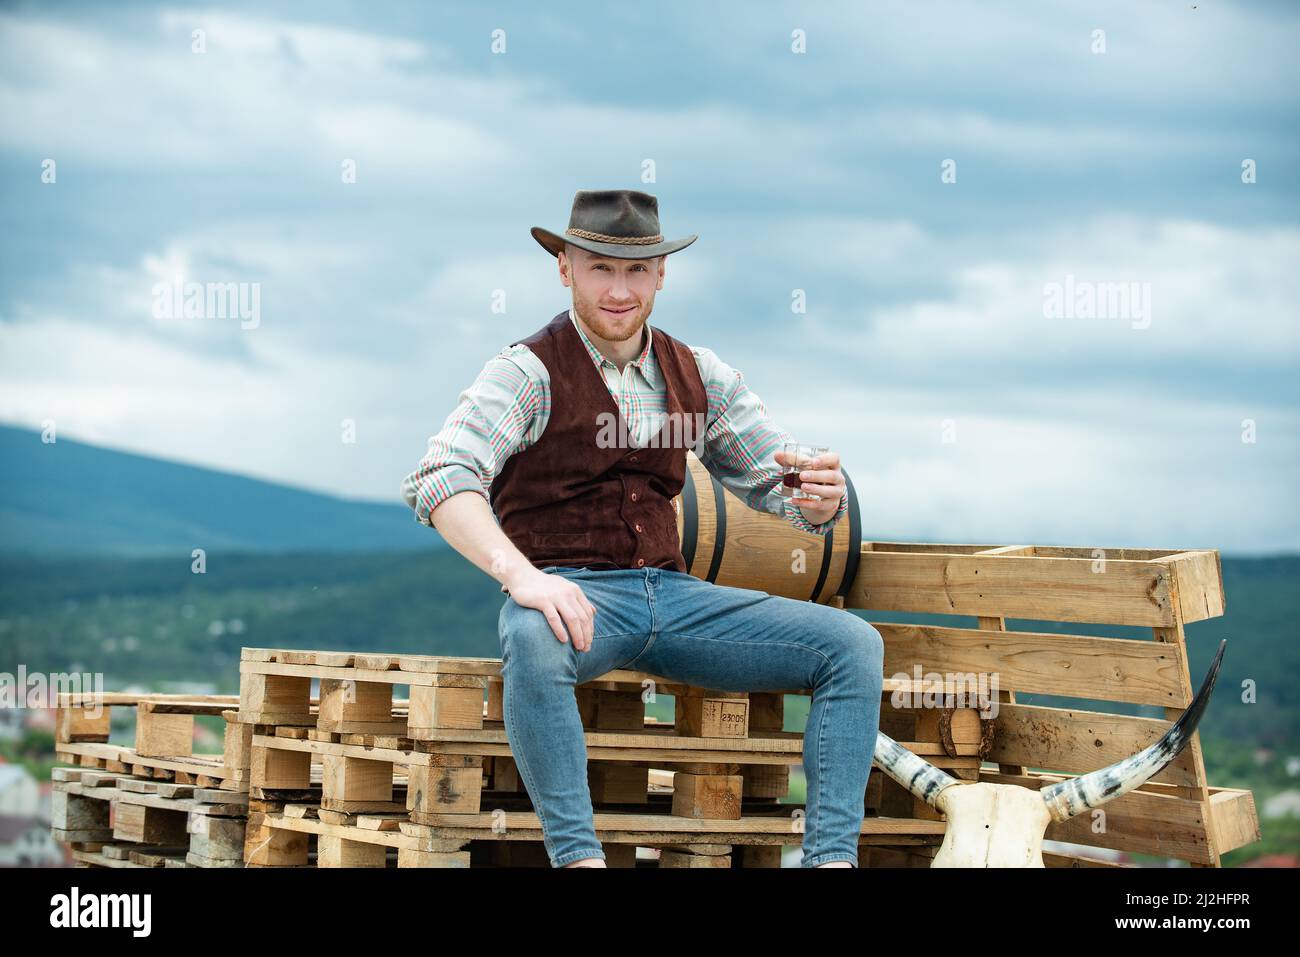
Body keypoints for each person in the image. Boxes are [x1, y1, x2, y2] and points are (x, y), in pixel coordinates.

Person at [401, 188, 883, 868]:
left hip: (673, 594)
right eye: (600, 267)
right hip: (572, 593)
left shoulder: (699, 374)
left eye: (636, 269)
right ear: (564, 268)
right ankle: (579, 857)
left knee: (853, 645)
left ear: (661, 273)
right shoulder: (529, 372)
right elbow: (442, 476)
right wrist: (524, 578)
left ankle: (830, 859)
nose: (619, 289)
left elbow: (776, 478)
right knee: (533, 636)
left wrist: (818, 498)